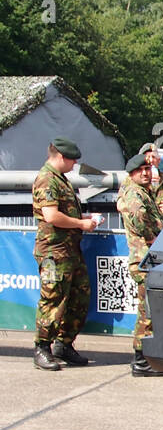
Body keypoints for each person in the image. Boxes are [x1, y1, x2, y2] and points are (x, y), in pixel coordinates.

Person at [32, 138, 97, 370]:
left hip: (70, 251)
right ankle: (42, 347)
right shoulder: (47, 179)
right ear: (60, 156)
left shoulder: (62, 180)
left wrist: (83, 222)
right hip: (54, 251)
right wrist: (80, 224)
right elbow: (51, 216)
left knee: (80, 297)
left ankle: (64, 344)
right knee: (53, 299)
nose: (75, 163)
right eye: (72, 159)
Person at [117, 154, 163, 377]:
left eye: (148, 169)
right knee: (147, 311)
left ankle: (146, 357)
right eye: (141, 170)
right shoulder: (134, 193)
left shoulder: (140, 191)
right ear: (132, 173)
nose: (146, 173)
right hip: (144, 258)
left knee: (149, 308)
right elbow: (138, 216)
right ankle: (141, 360)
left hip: (148, 259)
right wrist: (154, 237)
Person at [139, 142, 163, 218]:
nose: (151, 160)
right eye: (147, 157)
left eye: (154, 157)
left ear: (159, 160)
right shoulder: (135, 181)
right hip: (146, 226)